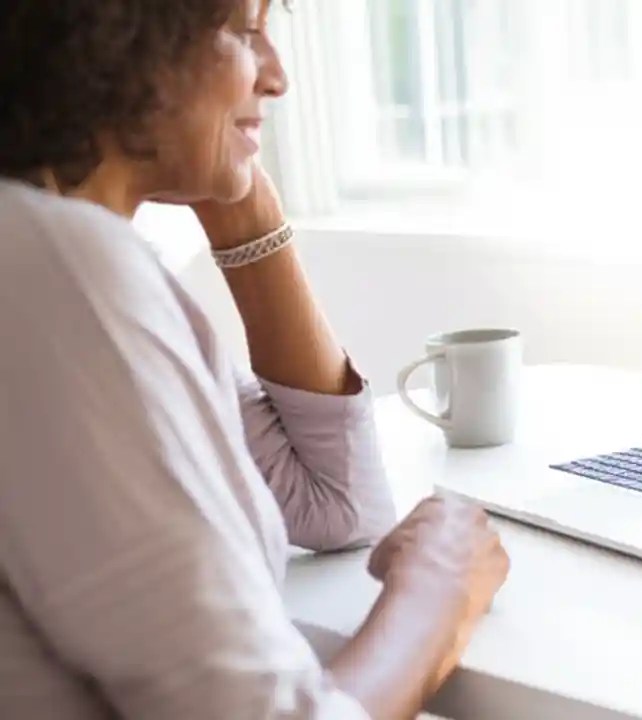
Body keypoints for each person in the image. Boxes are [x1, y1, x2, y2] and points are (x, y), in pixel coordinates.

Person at [0, 1, 509, 718]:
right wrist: (439, 591)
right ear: (117, 40)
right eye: (245, 33)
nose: (277, 78)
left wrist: (245, 210)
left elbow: (337, 506)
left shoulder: (60, 257)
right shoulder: (56, 276)